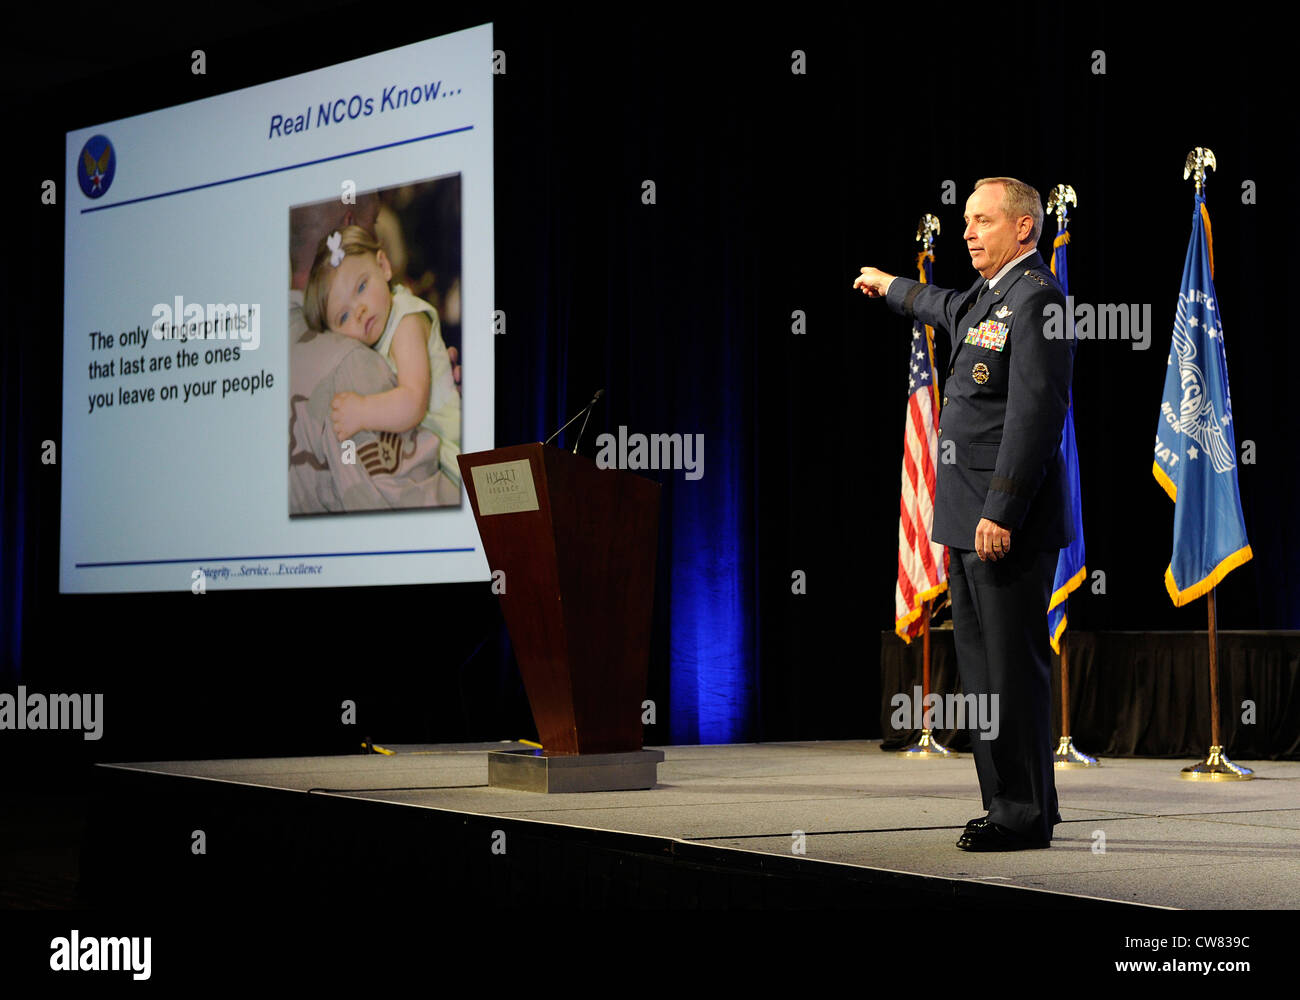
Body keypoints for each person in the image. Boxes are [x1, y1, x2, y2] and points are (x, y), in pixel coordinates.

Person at [854, 177, 1072, 851]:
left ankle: (1016, 815)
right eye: (967, 221)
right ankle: (1029, 804)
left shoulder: (1037, 301)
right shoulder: (990, 296)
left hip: (1001, 522)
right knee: (987, 674)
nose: (968, 232)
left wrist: (1001, 509)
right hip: (967, 519)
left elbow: (1035, 416)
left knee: (1005, 675)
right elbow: (940, 304)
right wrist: (891, 285)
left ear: (1023, 230)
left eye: (982, 221)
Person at [303, 225, 462, 487]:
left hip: (454, 448)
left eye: (361, 286)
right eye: (343, 316)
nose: (359, 310)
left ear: (384, 266)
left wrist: (361, 411)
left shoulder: (405, 321)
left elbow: (412, 402)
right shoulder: (378, 333)